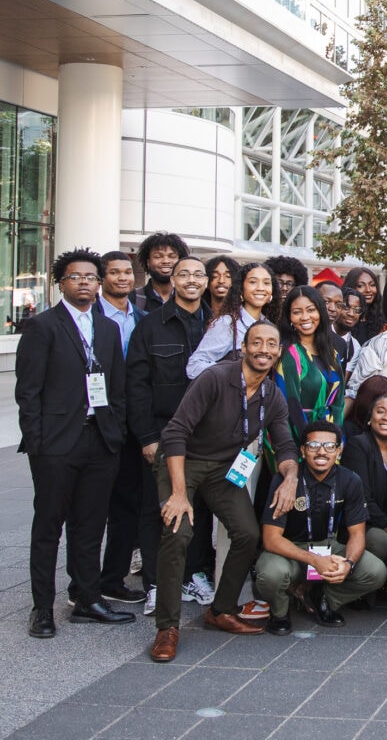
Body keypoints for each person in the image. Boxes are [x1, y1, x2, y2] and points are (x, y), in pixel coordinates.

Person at [150, 322, 301, 662]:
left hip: (223, 469)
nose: (264, 348)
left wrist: (290, 477)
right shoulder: (216, 378)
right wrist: (178, 493)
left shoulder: (272, 395)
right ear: (244, 347)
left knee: (247, 534)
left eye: (271, 344)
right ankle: (167, 627)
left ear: (278, 352)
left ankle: (221, 610)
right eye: (257, 342)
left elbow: (287, 446)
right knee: (178, 533)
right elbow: (175, 433)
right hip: (182, 462)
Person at [18, 249, 134, 639]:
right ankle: (41, 609)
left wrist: (114, 432)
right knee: (48, 527)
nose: (84, 282)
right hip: (55, 444)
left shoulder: (107, 329)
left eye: (90, 277)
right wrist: (37, 443)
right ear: (61, 282)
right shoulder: (42, 326)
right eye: (75, 277)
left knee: (89, 526)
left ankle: (87, 599)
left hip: (100, 441)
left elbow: (116, 388)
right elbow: (28, 392)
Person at [125, 255, 212, 615]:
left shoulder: (218, 324)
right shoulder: (150, 326)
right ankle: (156, 583)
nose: (191, 280)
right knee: (156, 508)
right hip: (162, 431)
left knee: (201, 508)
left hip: (207, 436)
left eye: (198, 274)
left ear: (206, 281)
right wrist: (146, 437)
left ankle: (193, 573)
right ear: (171, 279)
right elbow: (137, 385)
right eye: (184, 274)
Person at [257, 420, 387, 633]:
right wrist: (314, 560)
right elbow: (271, 539)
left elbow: (357, 534)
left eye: (329, 447)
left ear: (339, 450)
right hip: (289, 549)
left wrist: (349, 564)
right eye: (314, 446)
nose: (321, 452)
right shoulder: (286, 480)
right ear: (302, 450)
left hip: (328, 546)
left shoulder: (350, 480)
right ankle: (279, 613)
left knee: (375, 571)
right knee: (272, 573)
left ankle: (325, 598)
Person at [95, 251, 145, 605]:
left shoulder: (142, 318)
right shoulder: (90, 317)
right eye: (114, 272)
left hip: (134, 421)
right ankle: (83, 583)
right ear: (103, 278)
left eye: (127, 272)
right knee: (92, 508)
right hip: (98, 422)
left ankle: (112, 578)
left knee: (128, 505)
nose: (123, 277)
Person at [341, 390, 387, 574]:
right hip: (365, 525)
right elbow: (363, 499)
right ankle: (357, 589)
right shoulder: (358, 446)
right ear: (370, 418)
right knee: (381, 541)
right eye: (380, 411)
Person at [275, 286, 347, 441]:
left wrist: (336, 439)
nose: (305, 317)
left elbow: (339, 402)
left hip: (330, 438)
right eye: (297, 312)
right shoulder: (290, 354)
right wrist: (309, 442)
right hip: (301, 438)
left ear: (320, 312)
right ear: (289, 318)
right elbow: (290, 407)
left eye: (310, 310)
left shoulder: (332, 353)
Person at [188, 261, 278, 378]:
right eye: (253, 282)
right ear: (241, 288)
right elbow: (194, 365)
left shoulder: (270, 326)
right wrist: (232, 374)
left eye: (266, 283)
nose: (260, 288)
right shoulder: (228, 323)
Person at [133, 232, 190, 312]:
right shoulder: (133, 299)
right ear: (148, 262)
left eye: (172, 256)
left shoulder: (191, 299)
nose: (166, 261)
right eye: (158, 256)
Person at [342, 267, 383, 343]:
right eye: (361, 286)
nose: (368, 290)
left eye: (372, 285)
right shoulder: (342, 318)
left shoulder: (384, 318)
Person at [203, 255, 240, 323]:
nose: (221, 280)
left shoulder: (241, 317)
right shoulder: (200, 315)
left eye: (228, 276)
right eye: (215, 276)